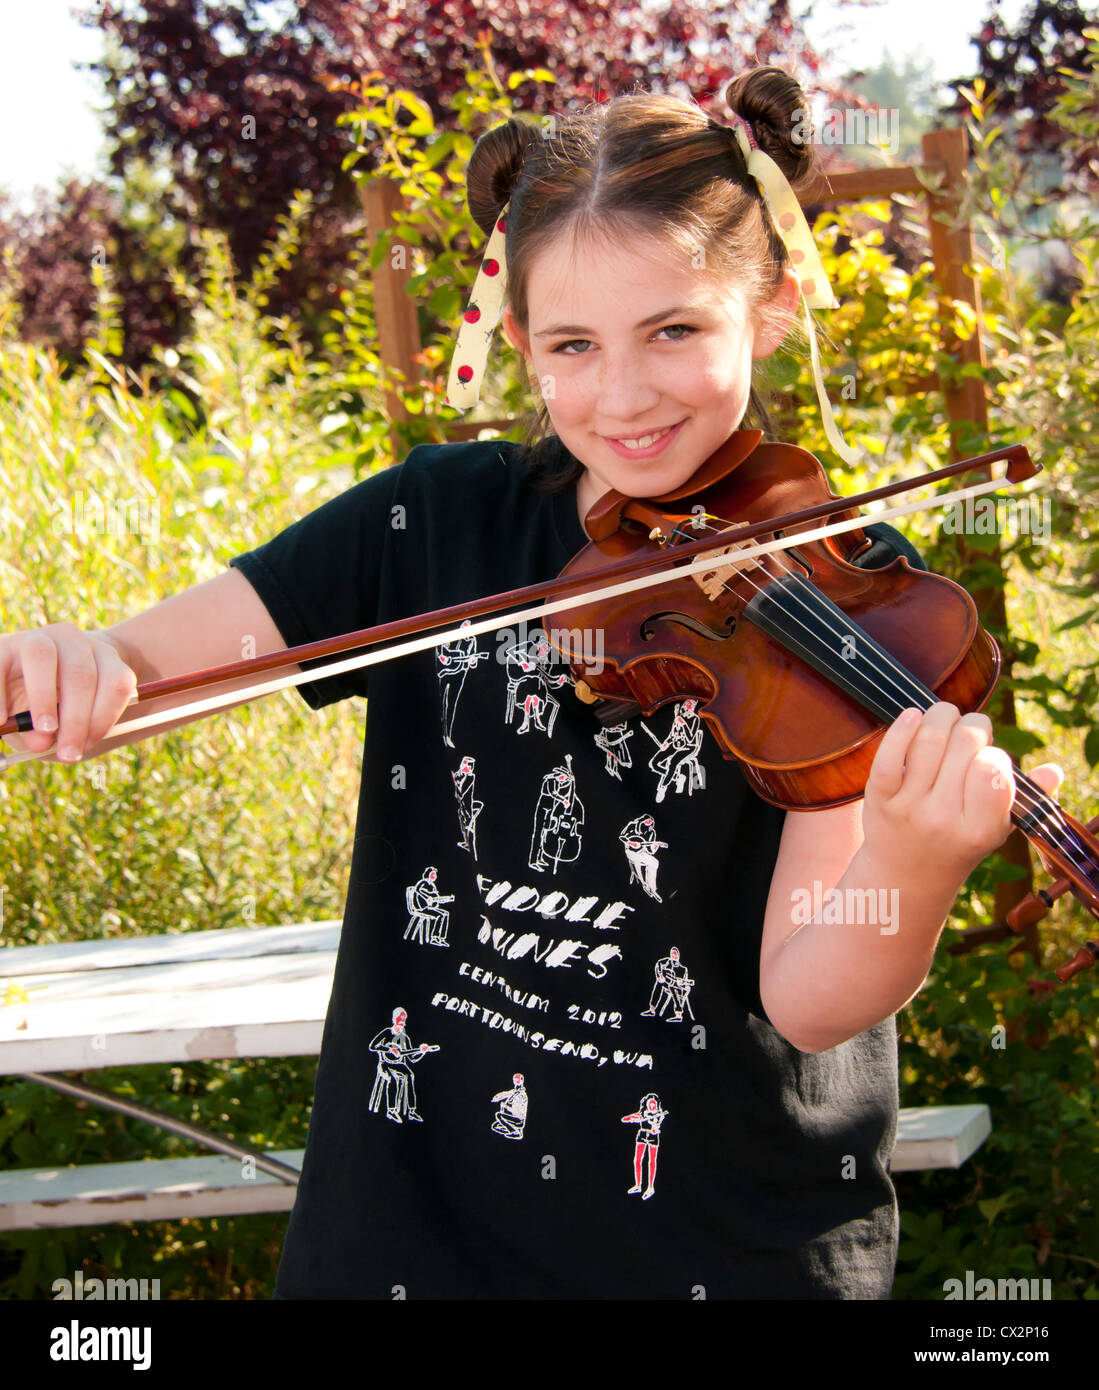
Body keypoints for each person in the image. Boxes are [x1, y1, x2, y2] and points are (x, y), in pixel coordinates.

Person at [0, 64, 1063, 1299]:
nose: (621, 395)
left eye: (673, 329)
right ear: (518, 342)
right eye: (573, 344)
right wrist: (82, 660)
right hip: (414, 1240)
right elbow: (141, 669)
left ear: (766, 308)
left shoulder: (860, 606)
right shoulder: (427, 524)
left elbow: (811, 999)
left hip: (718, 1250)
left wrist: (911, 866)